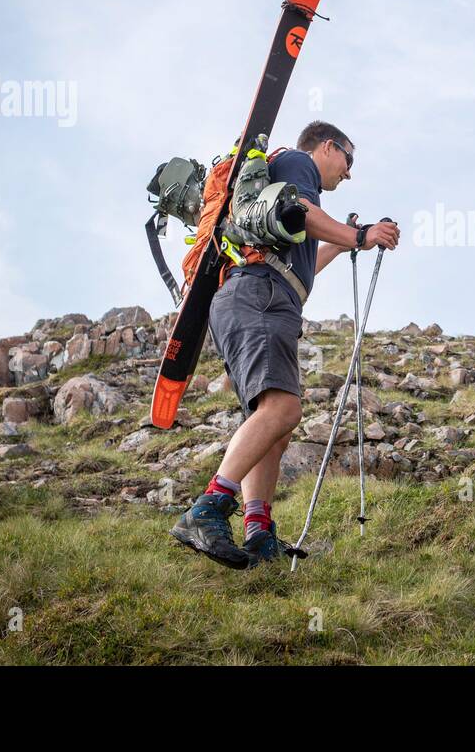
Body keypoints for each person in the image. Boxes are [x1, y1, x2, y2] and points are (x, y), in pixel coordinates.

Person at [169, 120, 399, 569]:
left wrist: (348, 242)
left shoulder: (288, 205)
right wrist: (360, 235)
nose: (348, 174)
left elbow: (304, 256)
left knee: (274, 425)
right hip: (260, 294)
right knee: (284, 410)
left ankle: (259, 534)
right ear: (328, 147)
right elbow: (305, 213)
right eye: (349, 160)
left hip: (261, 295)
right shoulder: (296, 163)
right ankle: (207, 509)